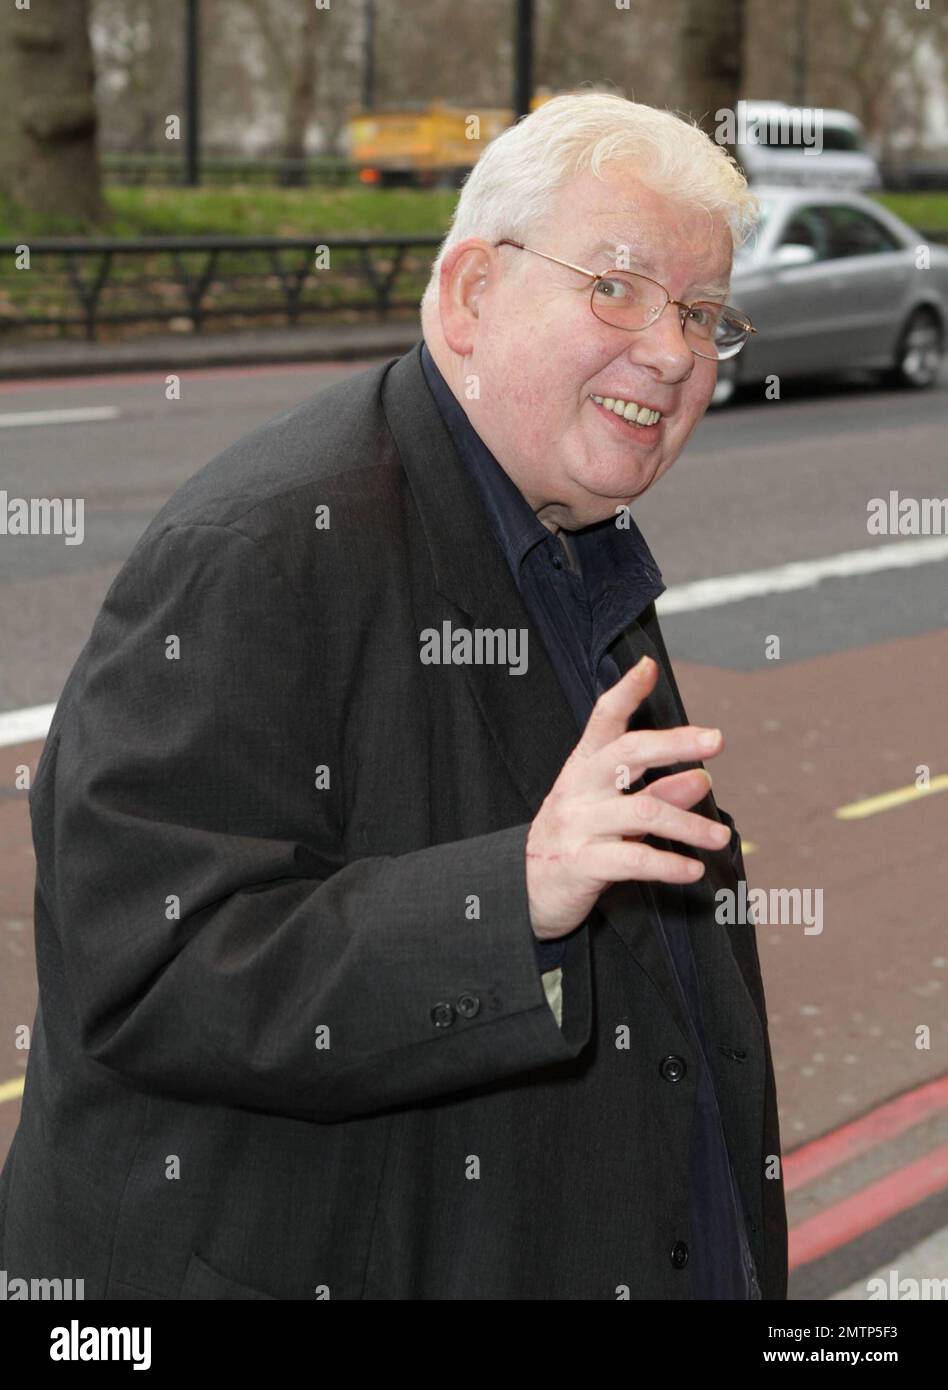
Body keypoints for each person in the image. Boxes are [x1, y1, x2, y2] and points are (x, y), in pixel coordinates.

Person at [0, 92, 786, 1300]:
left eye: (700, 312)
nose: (675, 351)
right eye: (617, 289)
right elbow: (146, 966)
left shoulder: (573, 530)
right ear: (472, 294)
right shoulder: (261, 546)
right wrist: (512, 892)